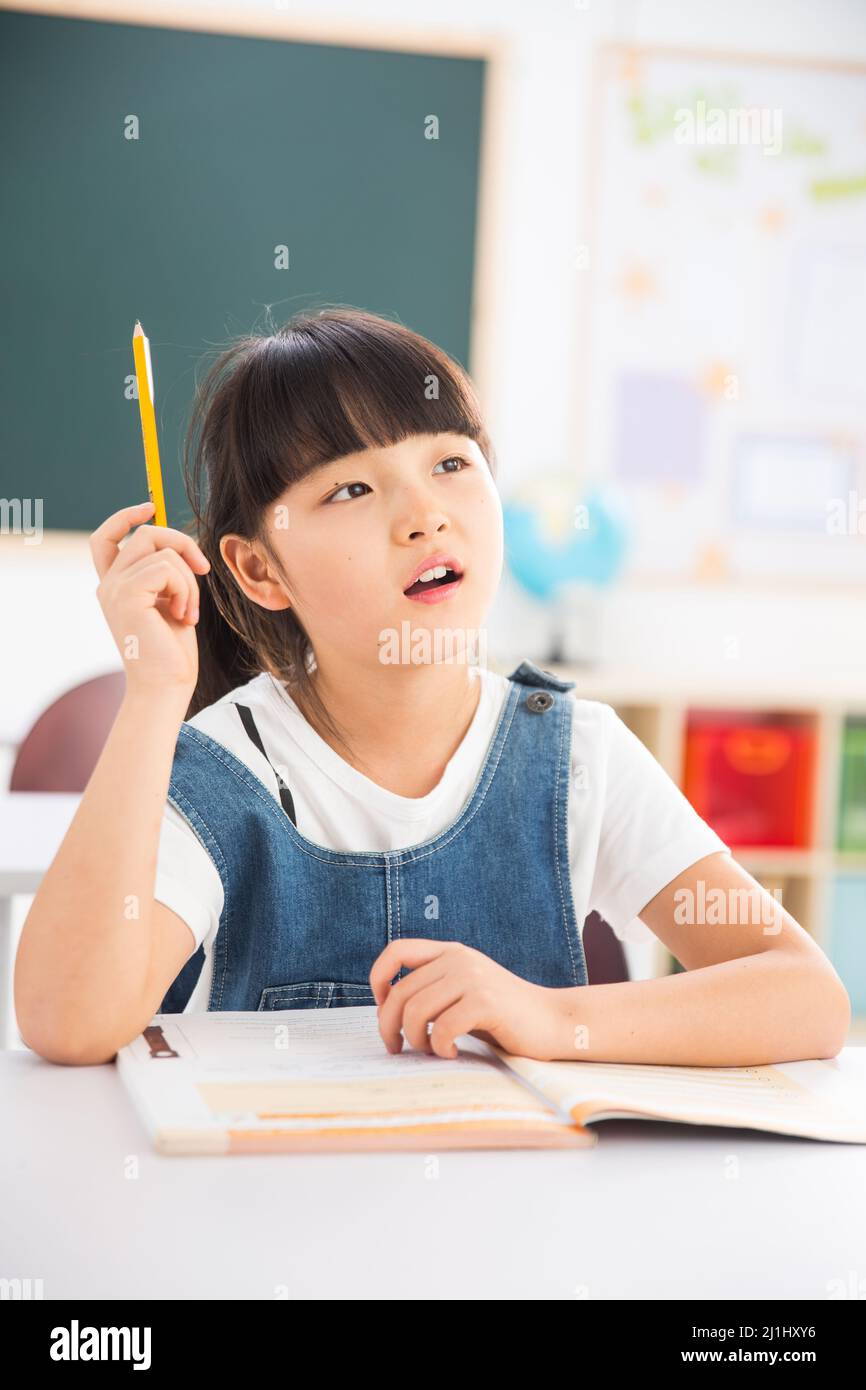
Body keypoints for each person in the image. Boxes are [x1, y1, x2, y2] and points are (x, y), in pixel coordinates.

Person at [15, 308, 850, 1067]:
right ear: (260, 569)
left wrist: (553, 1019)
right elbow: (66, 1022)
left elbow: (803, 997)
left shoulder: (576, 755)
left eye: (452, 462)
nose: (425, 514)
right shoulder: (222, 768)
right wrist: (157, 693)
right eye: (351, 488)